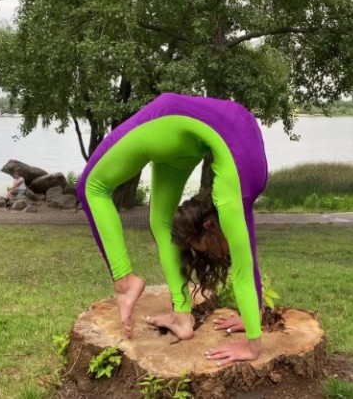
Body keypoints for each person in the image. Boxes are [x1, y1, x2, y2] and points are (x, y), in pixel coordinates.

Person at [77, 93, 267, 367]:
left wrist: (252, 338)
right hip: (170, 121)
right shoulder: (232, 197)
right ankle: (135, 288)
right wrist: (254, 332)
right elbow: (244, 268)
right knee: (91, 187)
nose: (214, 255)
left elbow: (245, 265)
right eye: (207, 249)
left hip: (186, 135)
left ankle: (167, 308)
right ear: (209, 225)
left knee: (149, 215)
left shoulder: (232, 198)